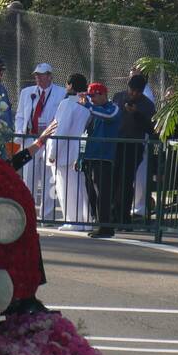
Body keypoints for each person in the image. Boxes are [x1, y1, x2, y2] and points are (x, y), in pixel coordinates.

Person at [16, 63, 64, 219]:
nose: (38, 78)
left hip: (49, 141)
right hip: (30, 139)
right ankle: (27, 214)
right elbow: (20, 116)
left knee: (48, 180)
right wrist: (19, 135)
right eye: (36, 75)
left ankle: (47, 216)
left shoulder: (61, 92)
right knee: (28, 178)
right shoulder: (26, 92)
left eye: (42, 75)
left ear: (50, 76)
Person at [47, 73, 91, 230]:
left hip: (64, 153)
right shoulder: (86, 104)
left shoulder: (67, 103)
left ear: (71, 86)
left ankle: (73, 221)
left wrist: (52, 153)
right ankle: (84, 221)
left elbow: (61, 129)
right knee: (79, 188)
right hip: (77, 152)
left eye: (67, 84)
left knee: (66, 189)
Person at [77, 82, 121, 238]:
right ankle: (99, 223)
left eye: (93, 96)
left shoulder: (113, 108)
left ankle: (105, 226)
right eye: (90, 96)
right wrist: (80, 157)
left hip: (104, 156)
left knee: (103, 192)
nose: (92, 99)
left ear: (103, 94)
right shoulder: (93, 111)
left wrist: (89, 107)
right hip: (90, 155)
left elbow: (109, 116)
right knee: (93, 191)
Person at [112, 74, 156, 225]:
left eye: (137, 91)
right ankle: (112, 214)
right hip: (115, 144)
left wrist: (136, 114)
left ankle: (124, 216)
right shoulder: (118, 97)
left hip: (133, 146)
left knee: (126, 181)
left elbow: (150, 128)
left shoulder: (147, 105)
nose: (133, 94)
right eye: (131, 90)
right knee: (113, 180)